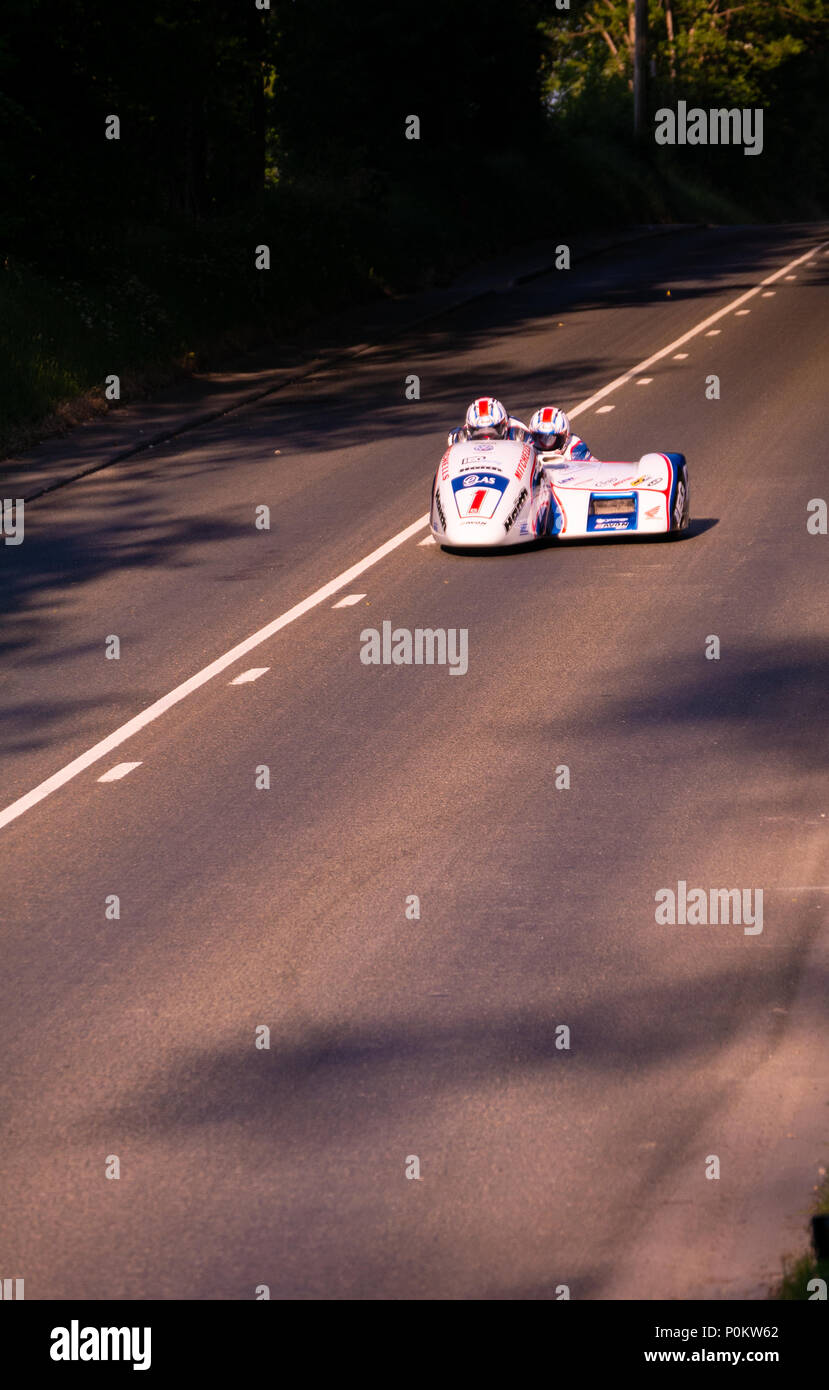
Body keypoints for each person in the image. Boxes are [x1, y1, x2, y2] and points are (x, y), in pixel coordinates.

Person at [447, 396, 532, 447]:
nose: (486, 438)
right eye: (478, 433)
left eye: (493, 430)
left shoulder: (518, 432)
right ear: (469, 430)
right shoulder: (459, 438)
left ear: (504, 425)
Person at [529, 406, 594, 461]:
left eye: (551, 438)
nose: (546, 444)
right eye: (540, 437)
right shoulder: (528, 447)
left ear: (566, 436)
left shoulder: (576, 449)